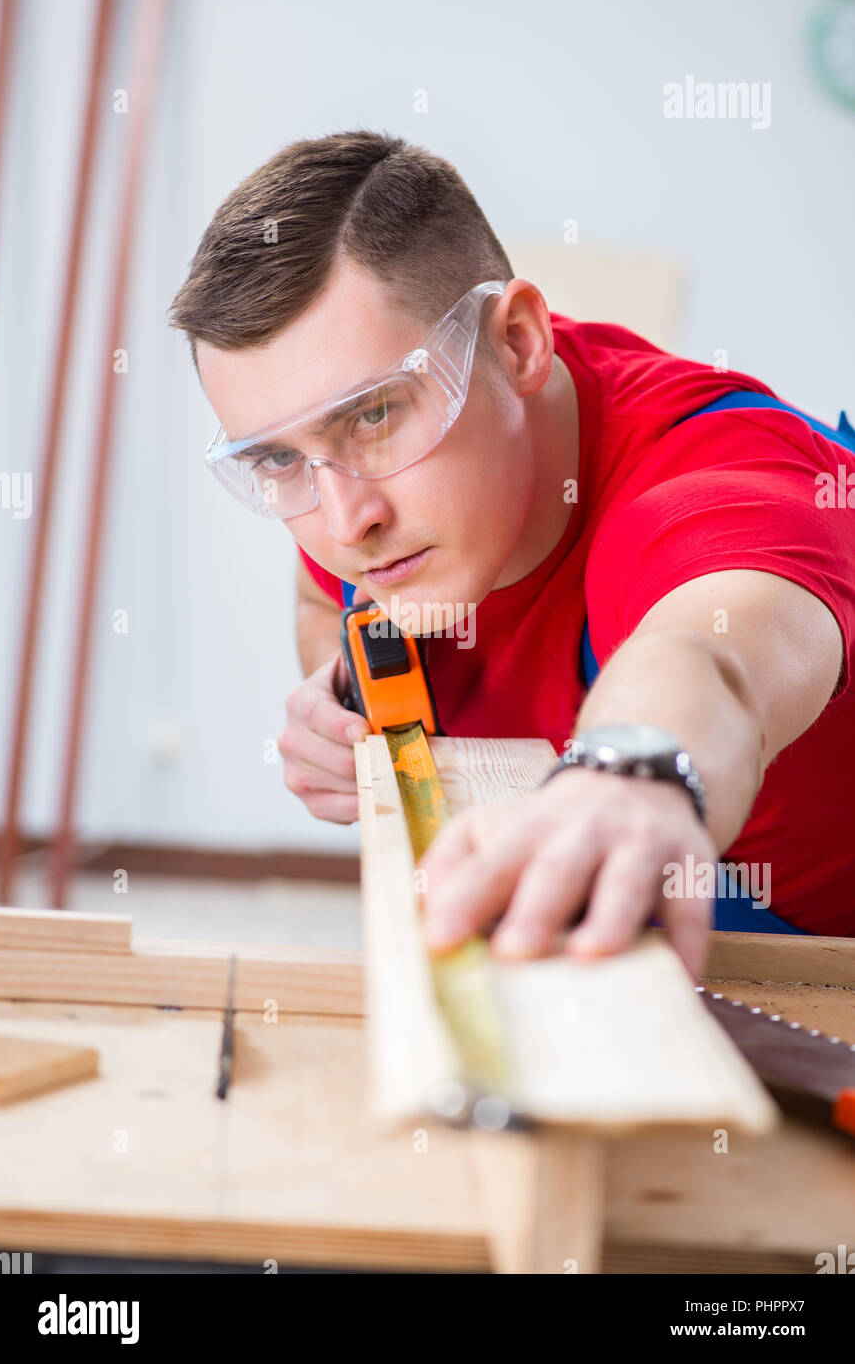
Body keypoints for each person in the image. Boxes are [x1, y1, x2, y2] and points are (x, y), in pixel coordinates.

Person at [169, 130, 855, 978]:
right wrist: (341, 694)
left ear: (520, 342)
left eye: (375, 416)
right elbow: (322, 598)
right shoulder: (376, 501)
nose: (345, 523)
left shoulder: (717, 474)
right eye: (278, 457)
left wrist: (630, 770)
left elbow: (710, 652)